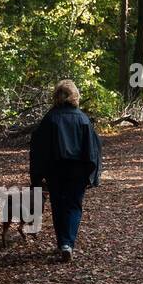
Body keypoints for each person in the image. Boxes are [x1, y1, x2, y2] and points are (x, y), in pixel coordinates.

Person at [29, 79, 102, 263]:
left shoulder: (50, 118)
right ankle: (67, 244)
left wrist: (38, 176)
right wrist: (91, 173)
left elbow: (38, 148)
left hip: (55, 169)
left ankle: (63, 242)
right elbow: (93, 148)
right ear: (75, 96)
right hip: (77, 169)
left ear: (57, 96)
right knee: (74, 205)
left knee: (58, 205)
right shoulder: (82, 119)